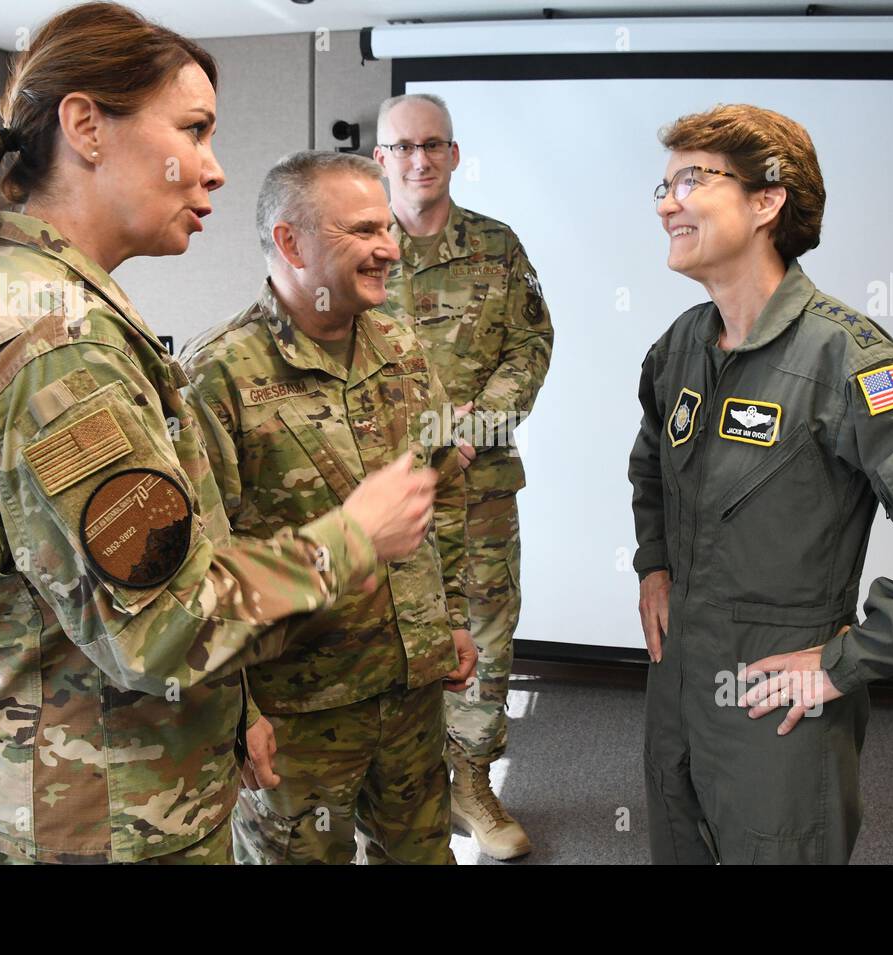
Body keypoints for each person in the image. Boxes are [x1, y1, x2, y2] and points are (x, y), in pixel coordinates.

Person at [0, 1, 435, 865]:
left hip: (129, 783)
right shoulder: (55, 348)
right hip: (105, 815)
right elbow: (163, 630)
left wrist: (234, 715)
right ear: (86, 126)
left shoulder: (58, 306)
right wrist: (352, 535)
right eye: (193, 130)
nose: (214, 169)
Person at [629, 104, 893, 865]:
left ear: (767, 200)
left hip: (774, 704)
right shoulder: (681, 344)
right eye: (664, 182)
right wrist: (654, 561)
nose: (665, 202)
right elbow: (651, 459)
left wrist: (845, 661)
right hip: (674, 686)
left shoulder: (851, 359)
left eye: (690, 180)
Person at [180, 151, 477, 864]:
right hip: (297, 715)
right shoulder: (218, 375)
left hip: (410, 692)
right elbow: (198, 572)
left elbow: (443, 488)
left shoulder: (403, 348)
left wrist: (456, 616)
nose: (388, 248)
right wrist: (239, 712)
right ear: (290, 242)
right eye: (363, 231)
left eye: (388, 228)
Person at [372, 93, 553, 860]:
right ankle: (396, 795)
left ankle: (472, 783)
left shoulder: (497, 247)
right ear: (381, 159)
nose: (420, 159)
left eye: (434, 145)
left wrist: (477, 426)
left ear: (453, 154)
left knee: (486, 633)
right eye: (404, 147)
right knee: (388, 639)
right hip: (386, 497)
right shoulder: (358, 246)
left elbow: (532, 345)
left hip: (480, 493)